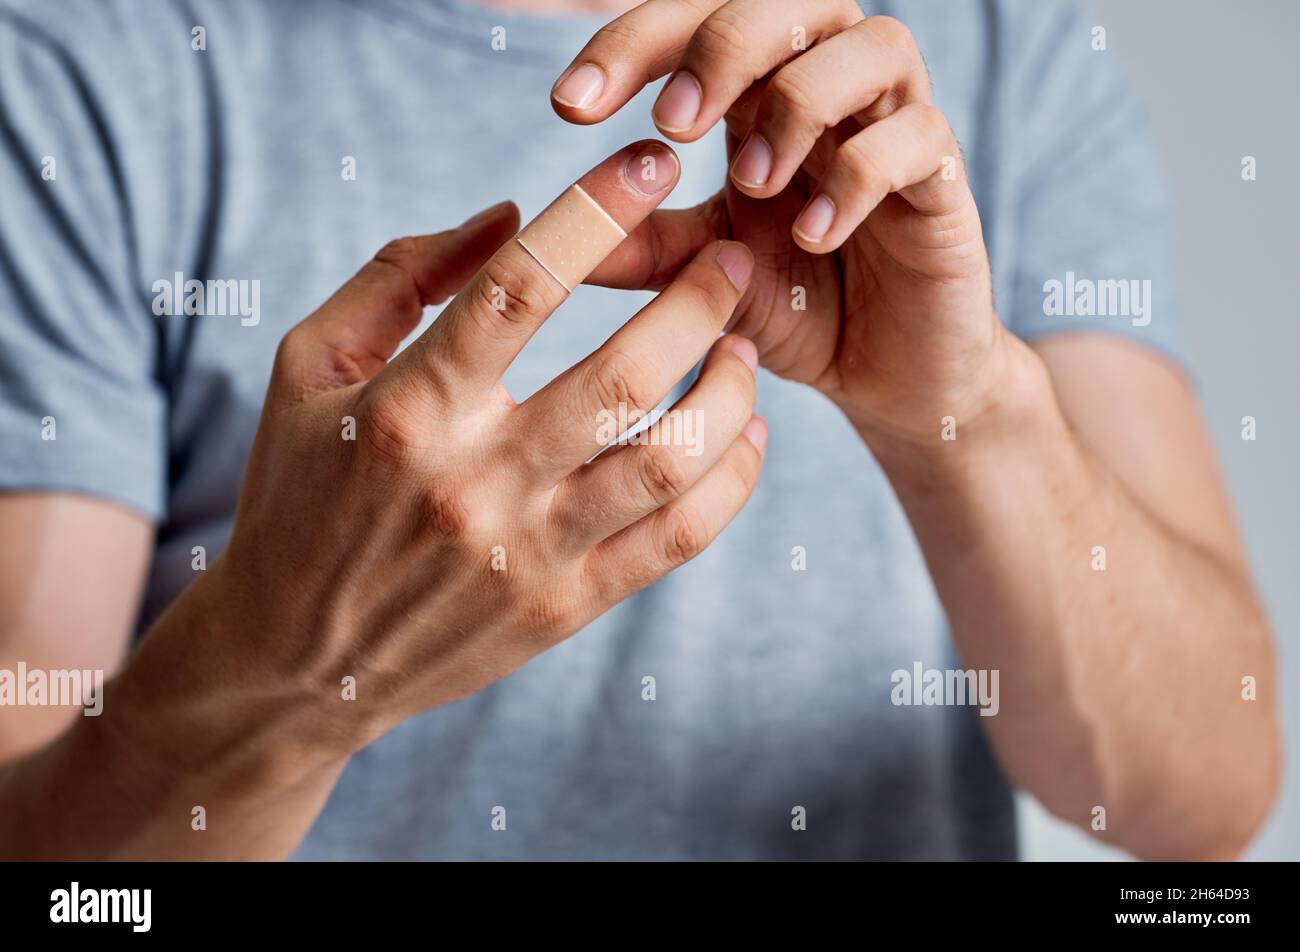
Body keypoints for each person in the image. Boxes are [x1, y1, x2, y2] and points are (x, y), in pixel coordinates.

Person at [0, 0, 1278, 860]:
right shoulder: (94, 68)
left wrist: (971, 411)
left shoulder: (992, 50)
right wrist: (290, 669)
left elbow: (1200, 793)